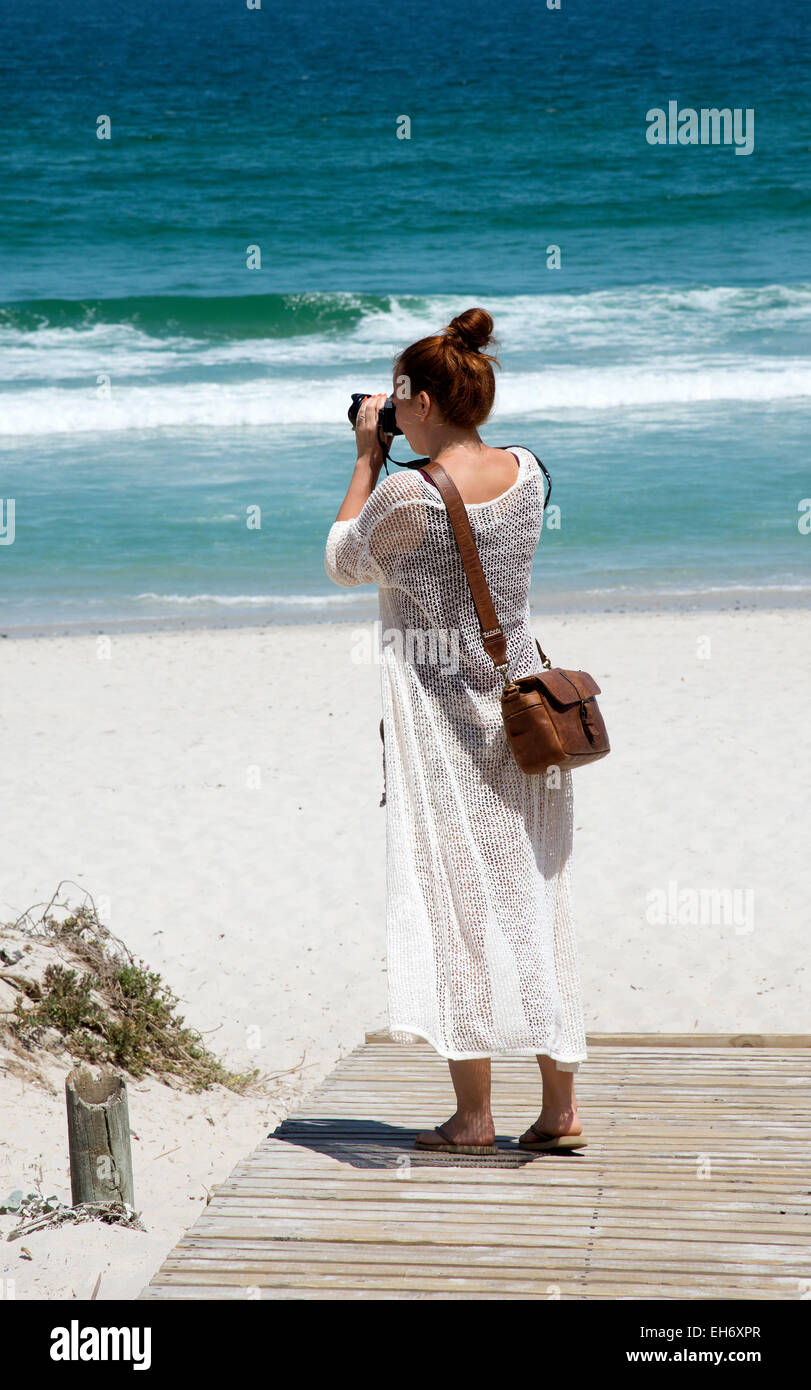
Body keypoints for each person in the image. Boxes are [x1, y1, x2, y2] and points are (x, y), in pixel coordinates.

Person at [324, 307, 587, 1155]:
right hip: (525, 721)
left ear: (426, 400)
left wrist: (367, 455)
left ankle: (473, 1118)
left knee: (455, 912)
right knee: (536, 907)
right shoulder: (531, 469)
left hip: (446, 734)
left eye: (398, 394)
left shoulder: (404, 491)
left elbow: (341, 561)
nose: (390, 406)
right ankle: (558, 1109)